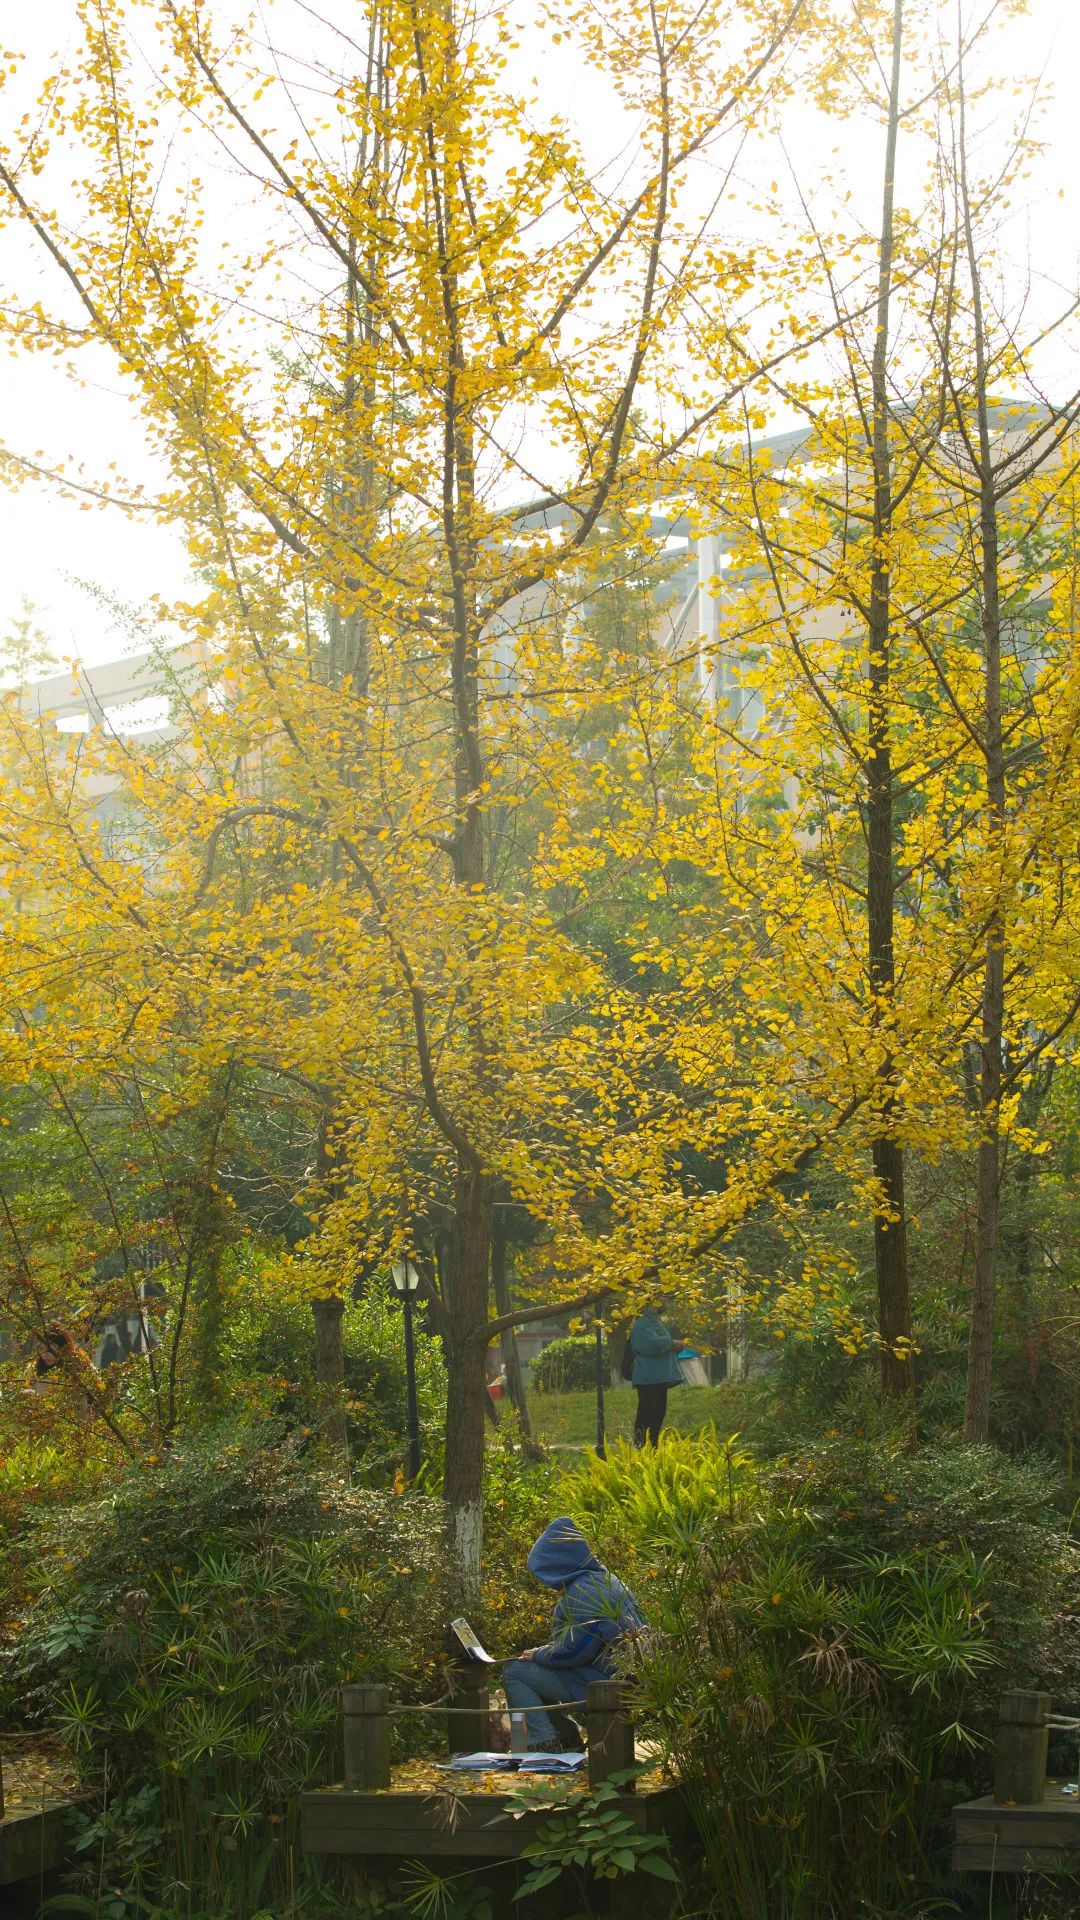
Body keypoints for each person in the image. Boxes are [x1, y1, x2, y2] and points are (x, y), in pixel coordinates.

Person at [502, 1516, 644, 1750]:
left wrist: (538, 1654)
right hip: (622, 1676)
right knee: (533, 1668)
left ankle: (538, 1744)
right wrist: (541, 1653)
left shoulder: (584, 1591)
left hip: (606, 1683)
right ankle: (566, 1737)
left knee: (515, 1672)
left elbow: (573, 1652)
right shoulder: (606, 1579)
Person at [628, 1305, 682, 1446]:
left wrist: (674, 1347)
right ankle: (641, 1449)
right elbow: (651, 1346)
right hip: (649, 1378)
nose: (663, 1302)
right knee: (646, 1416)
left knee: (658, 1414)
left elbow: (659, 1346)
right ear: (650, 1304)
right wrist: (672, 1343)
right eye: (658, 1300)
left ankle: (653, 1447)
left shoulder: (655, 1322)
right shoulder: (642, 1324)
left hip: (659, 1378)